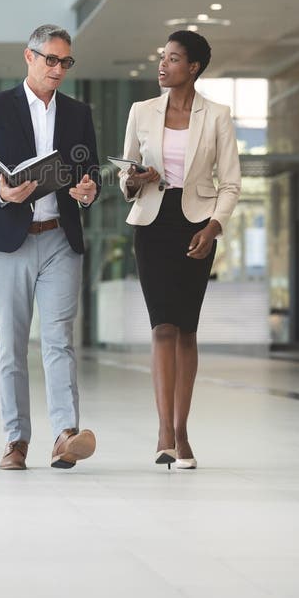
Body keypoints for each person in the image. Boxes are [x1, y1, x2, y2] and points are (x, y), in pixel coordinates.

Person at [0, 24, 101, 471]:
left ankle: (65, 435)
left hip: (60, 237)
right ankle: (16, 440)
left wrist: (88, 190)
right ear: (30, 57)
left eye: (66, 62)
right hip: (10, 241)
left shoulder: (78, 113)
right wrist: (2, 192)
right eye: (51, 59)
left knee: (59, 339)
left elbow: (90, 170)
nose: (58, 69)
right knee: (12, 344)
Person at [120, 30, 240, 470]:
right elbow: (125, 173)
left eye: (173, 58)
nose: (163, 64)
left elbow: (230, 182)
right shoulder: (141, 111)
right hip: (152, 225)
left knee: (186, 328)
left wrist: (214, 226)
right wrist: (134, 179)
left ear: (193, 67)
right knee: (162, 327)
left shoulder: (217, 115)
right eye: (162, 57)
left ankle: (182, 430)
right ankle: (164, 433)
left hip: (197, 226)